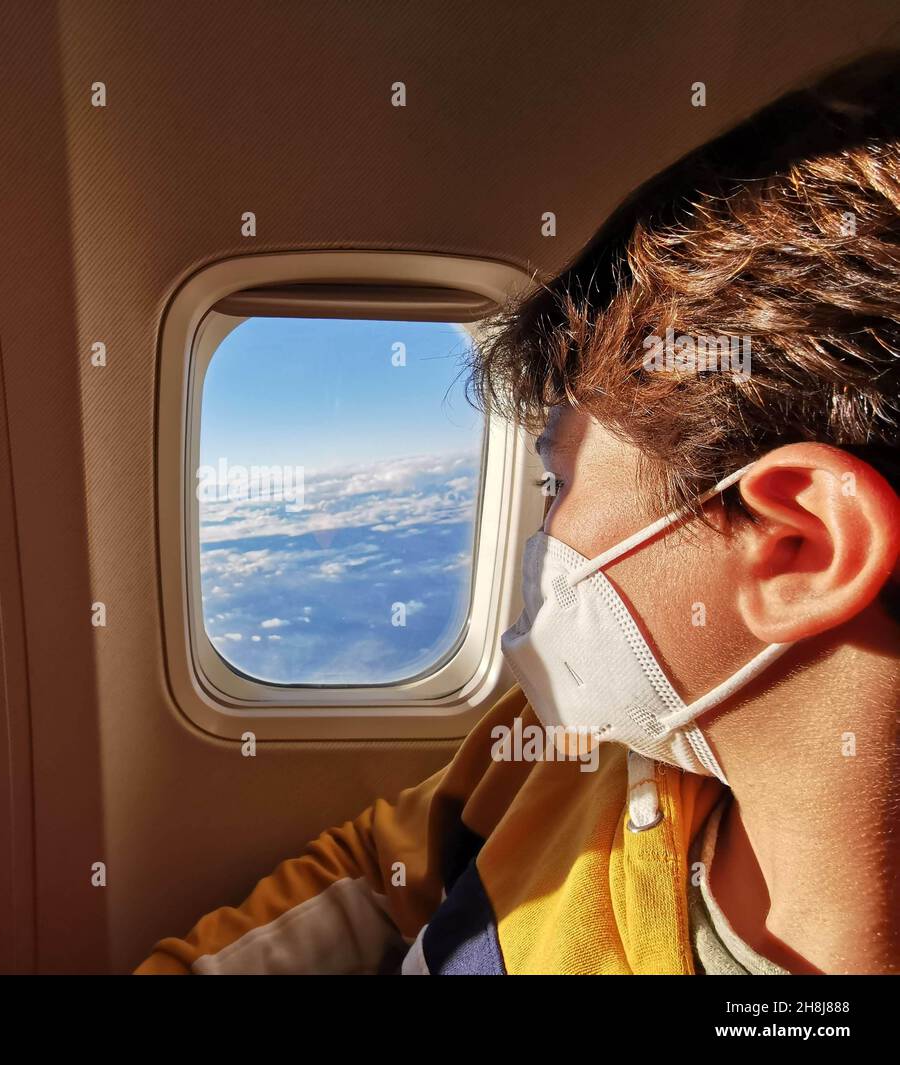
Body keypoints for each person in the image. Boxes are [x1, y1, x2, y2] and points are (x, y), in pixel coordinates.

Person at [136, 52, 900, 975]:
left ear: (797, 546)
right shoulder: (568, 757)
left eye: (559, 485)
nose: (541, 547)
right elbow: (384, 869)